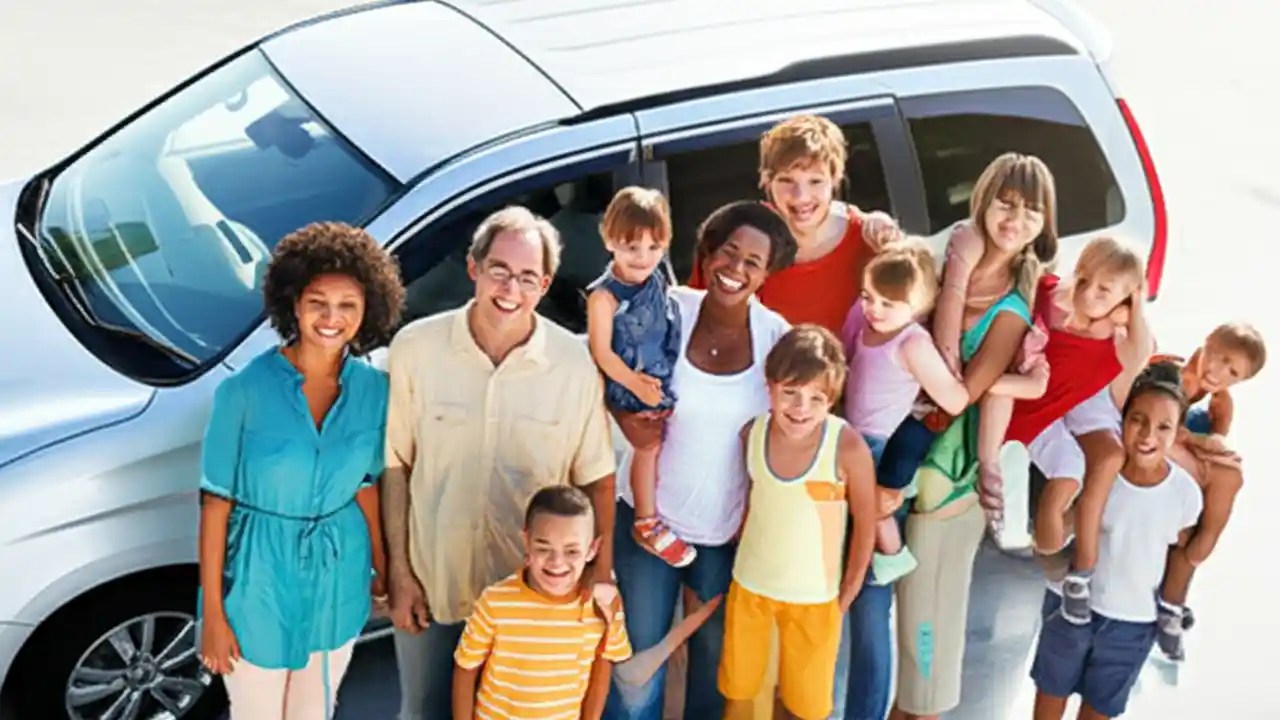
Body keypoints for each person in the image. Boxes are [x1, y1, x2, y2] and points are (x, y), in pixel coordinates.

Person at [382, 206, 619, 720]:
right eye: (500, 271)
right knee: (422, 711)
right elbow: (395, 467)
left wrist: (600, 576)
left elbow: (598, 479)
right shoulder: (415, 349)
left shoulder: (573, 365)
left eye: (528, 277)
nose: (511, 289)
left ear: (546, 284)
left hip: (531, 596)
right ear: (473, 267)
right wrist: (398, 573)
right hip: (435, 583)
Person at [197, 222, 403, 719]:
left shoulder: (376, 392)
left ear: (367, 310)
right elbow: (214, 505)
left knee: (315, 712)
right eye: (318, 302)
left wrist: (383, 568)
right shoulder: (242, 393)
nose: (331, 318)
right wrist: (213, 616)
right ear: (294, 303)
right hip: (257, 578)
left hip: (340, 575)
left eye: (347, 305)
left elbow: (365, 487)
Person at [603, 200, 796, 720]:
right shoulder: (668, 308)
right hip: (647, 523)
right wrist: (631, 428)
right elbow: (613, 378)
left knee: (714, 667)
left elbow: (783, 435)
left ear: (766, 273)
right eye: (728, 252)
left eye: (752, 262)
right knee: (639, 662)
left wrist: (758, 524)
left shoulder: (775, 336)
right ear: (708, 253)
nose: (736, 269)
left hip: (724, 535)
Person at [884, 151, 1057, 720]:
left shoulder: (1011, 308)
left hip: (947, 483)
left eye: (1031, 210)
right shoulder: (942, 257)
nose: (1015, 218)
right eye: (1006, 202)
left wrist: (958, 271)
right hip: (887, 459)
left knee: (925, 642)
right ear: (982, 201)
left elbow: (963, 385)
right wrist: (957, 265)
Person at [976, 238, 1152, 628]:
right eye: (1085, 279)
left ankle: (1050, 542)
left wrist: (1136, 311)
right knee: (1040, 473)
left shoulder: (1116, 341)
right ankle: (1041, 532)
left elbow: (1142, 351)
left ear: (1127, 299)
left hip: (1044, 421)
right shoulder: (1051, 294)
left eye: (1105, 291)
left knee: (1071, 469)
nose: (1089, 293)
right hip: (1012, 405)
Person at [719, 325, 879, 720]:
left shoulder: (847, 447)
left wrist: (847, 593)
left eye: (816, 398)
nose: (800, 407)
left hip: (815, 601)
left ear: (832, 400)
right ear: (770, 387)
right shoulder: (751, 434)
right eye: (790, 392)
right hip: (751, 591)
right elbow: (749, 502)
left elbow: (866, 523)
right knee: (741, 696)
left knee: (805, 707)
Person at [1029, 363, 1202, 720]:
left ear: (1178, 434)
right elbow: (1061, 529)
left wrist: (1172, 608)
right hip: (1069, 608)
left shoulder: (1185, 494)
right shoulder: (1099, 474)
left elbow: (1181, 554)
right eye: (1137, 420)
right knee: (1048, 702)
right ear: (1121, 419)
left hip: (1133, 623)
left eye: (1163, 427)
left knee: (1098, 712)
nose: (1147, 435)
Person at [686, 113, 897, 335]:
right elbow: (696, 321)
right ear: (766, 179)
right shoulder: (734, 236)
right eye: (786, 180)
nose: (800, 197)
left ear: (835, 180)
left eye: (815, 181)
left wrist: (894, 244)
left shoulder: (870, 241)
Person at [452, 486, 632, 720]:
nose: (557, 562)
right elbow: (466, 668)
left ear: (592, 550)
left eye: (572, 551)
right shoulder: (495, 602)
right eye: (543, 548)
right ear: (526, 542)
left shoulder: (604, 606)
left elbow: (603, 666)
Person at [586, 187, 691, 567]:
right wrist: (633, 384)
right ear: (610, 240)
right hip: (629, 387)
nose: (643, 258)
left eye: (654, 247)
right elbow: (602, 352)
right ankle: (645, 521)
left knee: (666, 445)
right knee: (646, 448)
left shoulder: (656, 275)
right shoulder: (605, 297)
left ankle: (668, 511)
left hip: (658, 378)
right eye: (632, 248)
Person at [1147, 323, 1265, 660]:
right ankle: (1172, 601)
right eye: (1223, 360)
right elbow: (1161, 426)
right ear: (1208, 343)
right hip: (1152, 445)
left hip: (1178, 460)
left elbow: (1205, 438)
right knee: (1224, 471)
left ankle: (1171, 606)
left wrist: (1213, 434)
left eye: (1234, 374)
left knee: (1191, 527)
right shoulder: (1173, 375)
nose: (1222, 376)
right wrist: (1203, 442)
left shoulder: (1217, 400)